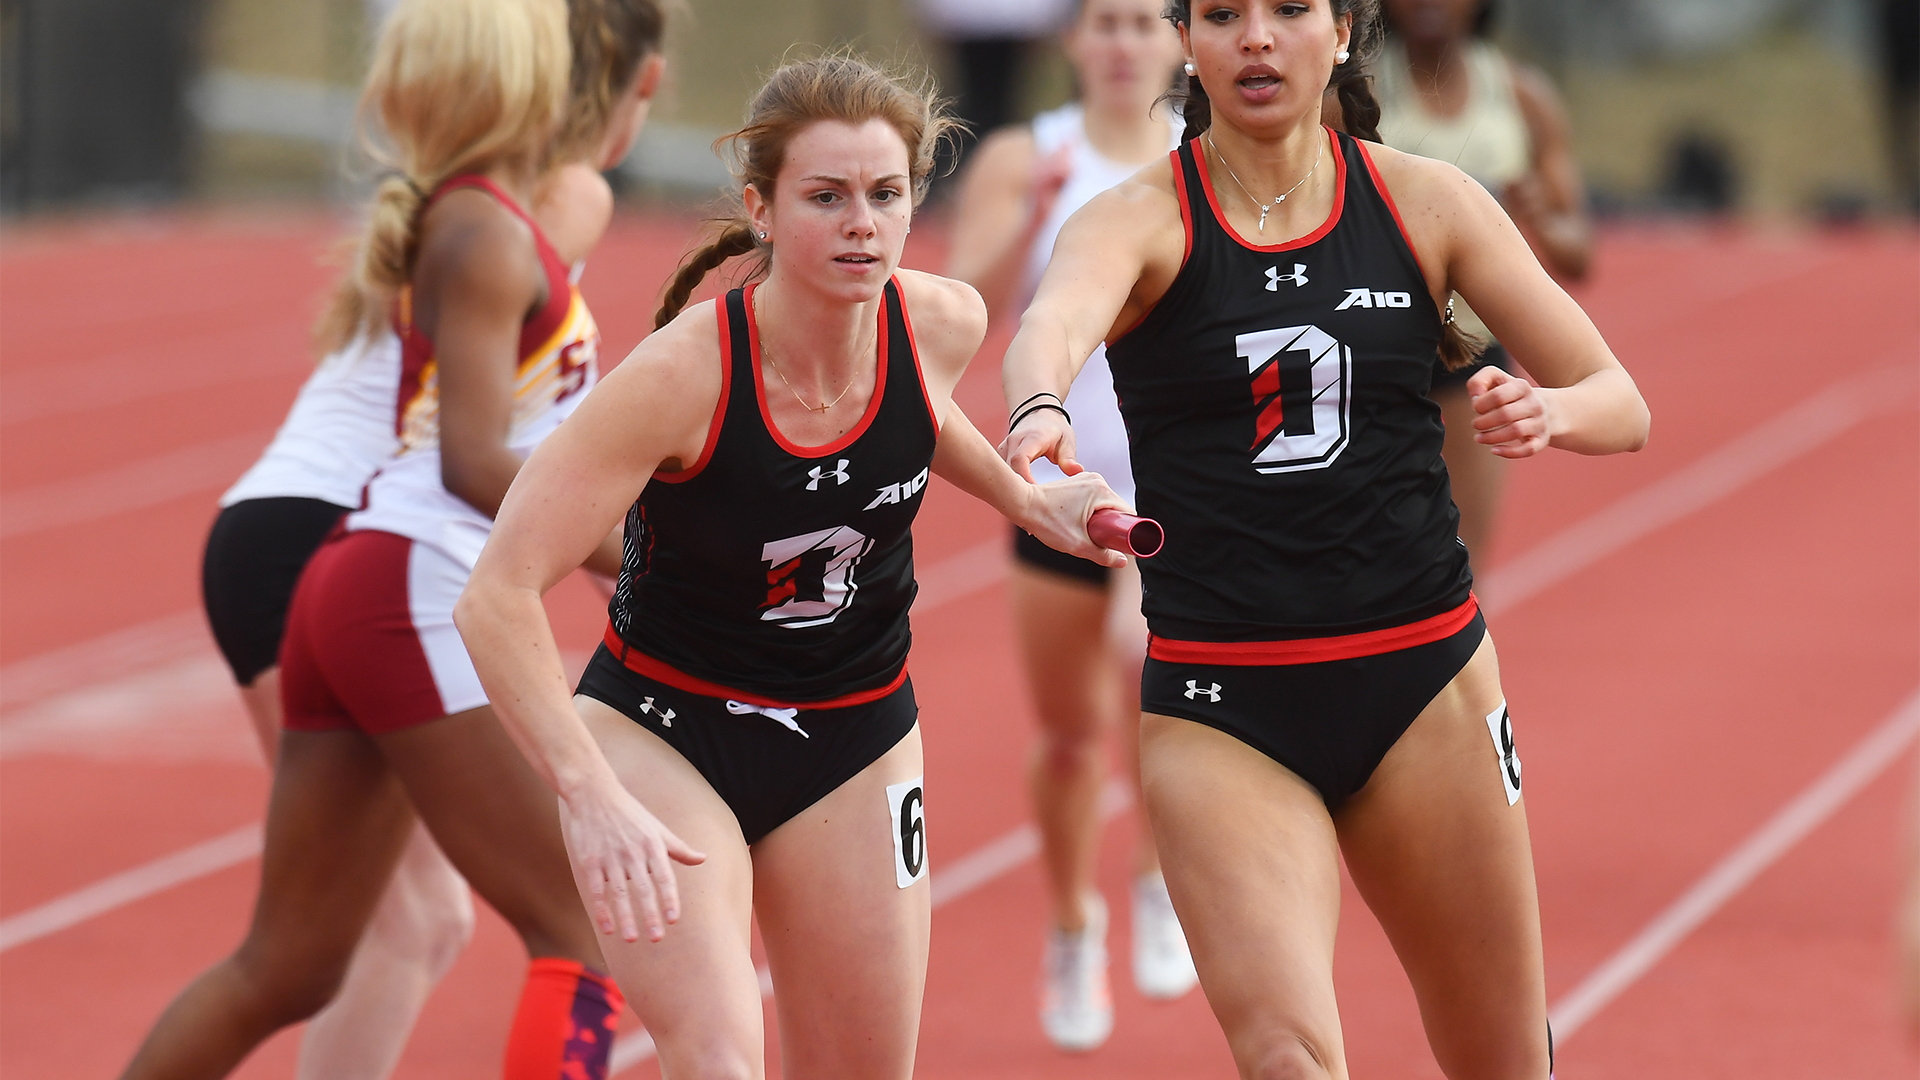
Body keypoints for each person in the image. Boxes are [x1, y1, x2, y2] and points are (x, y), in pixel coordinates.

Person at [998, 1, 1648, 1076]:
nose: (1256, 38)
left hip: (1424, 690)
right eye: (1222, 15)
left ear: (1343, 30)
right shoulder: (1139, 216)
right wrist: (1039, 416)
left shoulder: (1425, 201)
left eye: (1289, 10)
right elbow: (1049, 326)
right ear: (1188, 41)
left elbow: (1619, 398)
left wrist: (1552, 414)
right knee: (1288, 1059)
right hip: (1223, 708)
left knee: (1504, 1058)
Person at [454, 54, 1128, 1080]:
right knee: (722, 1058)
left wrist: (1025, 498)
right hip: (666, 731)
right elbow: (496, 594)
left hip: (855, 733)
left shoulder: (940, 320)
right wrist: (585, 793)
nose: (863, 221)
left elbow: (916, 413)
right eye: (826, 197)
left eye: (885, 194)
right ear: (761, 211)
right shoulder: (682, 376)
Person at [120, 1, 664, 1077]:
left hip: (360, 574)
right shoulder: (493, 228)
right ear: (523, 80)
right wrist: (657, 560)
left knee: (294, 965)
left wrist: (648, 562)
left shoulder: (481, 218)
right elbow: (469, 465)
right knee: (587, 925)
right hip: (399, 580)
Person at [945, 0, 1193, 1050]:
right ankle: (1069, 923)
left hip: (1178, 485)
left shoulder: (1205, 152)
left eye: (1147, 21)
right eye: (1107, 21)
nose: (1127, 41)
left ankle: (1153, 877)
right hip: (1057, 484)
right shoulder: (1023, 153)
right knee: (1064, 734)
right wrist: (1023, 216)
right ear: (1073, 40)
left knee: (1159, 691)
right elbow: (958, 309)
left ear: (1178, 40)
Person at [1365, 0, 1593, 573]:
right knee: (1365, 554)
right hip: (1375, 348)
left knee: (1460, 560)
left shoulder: (1519, 95)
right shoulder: (1359, 90)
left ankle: (1461, 662)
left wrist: (1539, 214)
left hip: (1473, 353)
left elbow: (1578, 254)